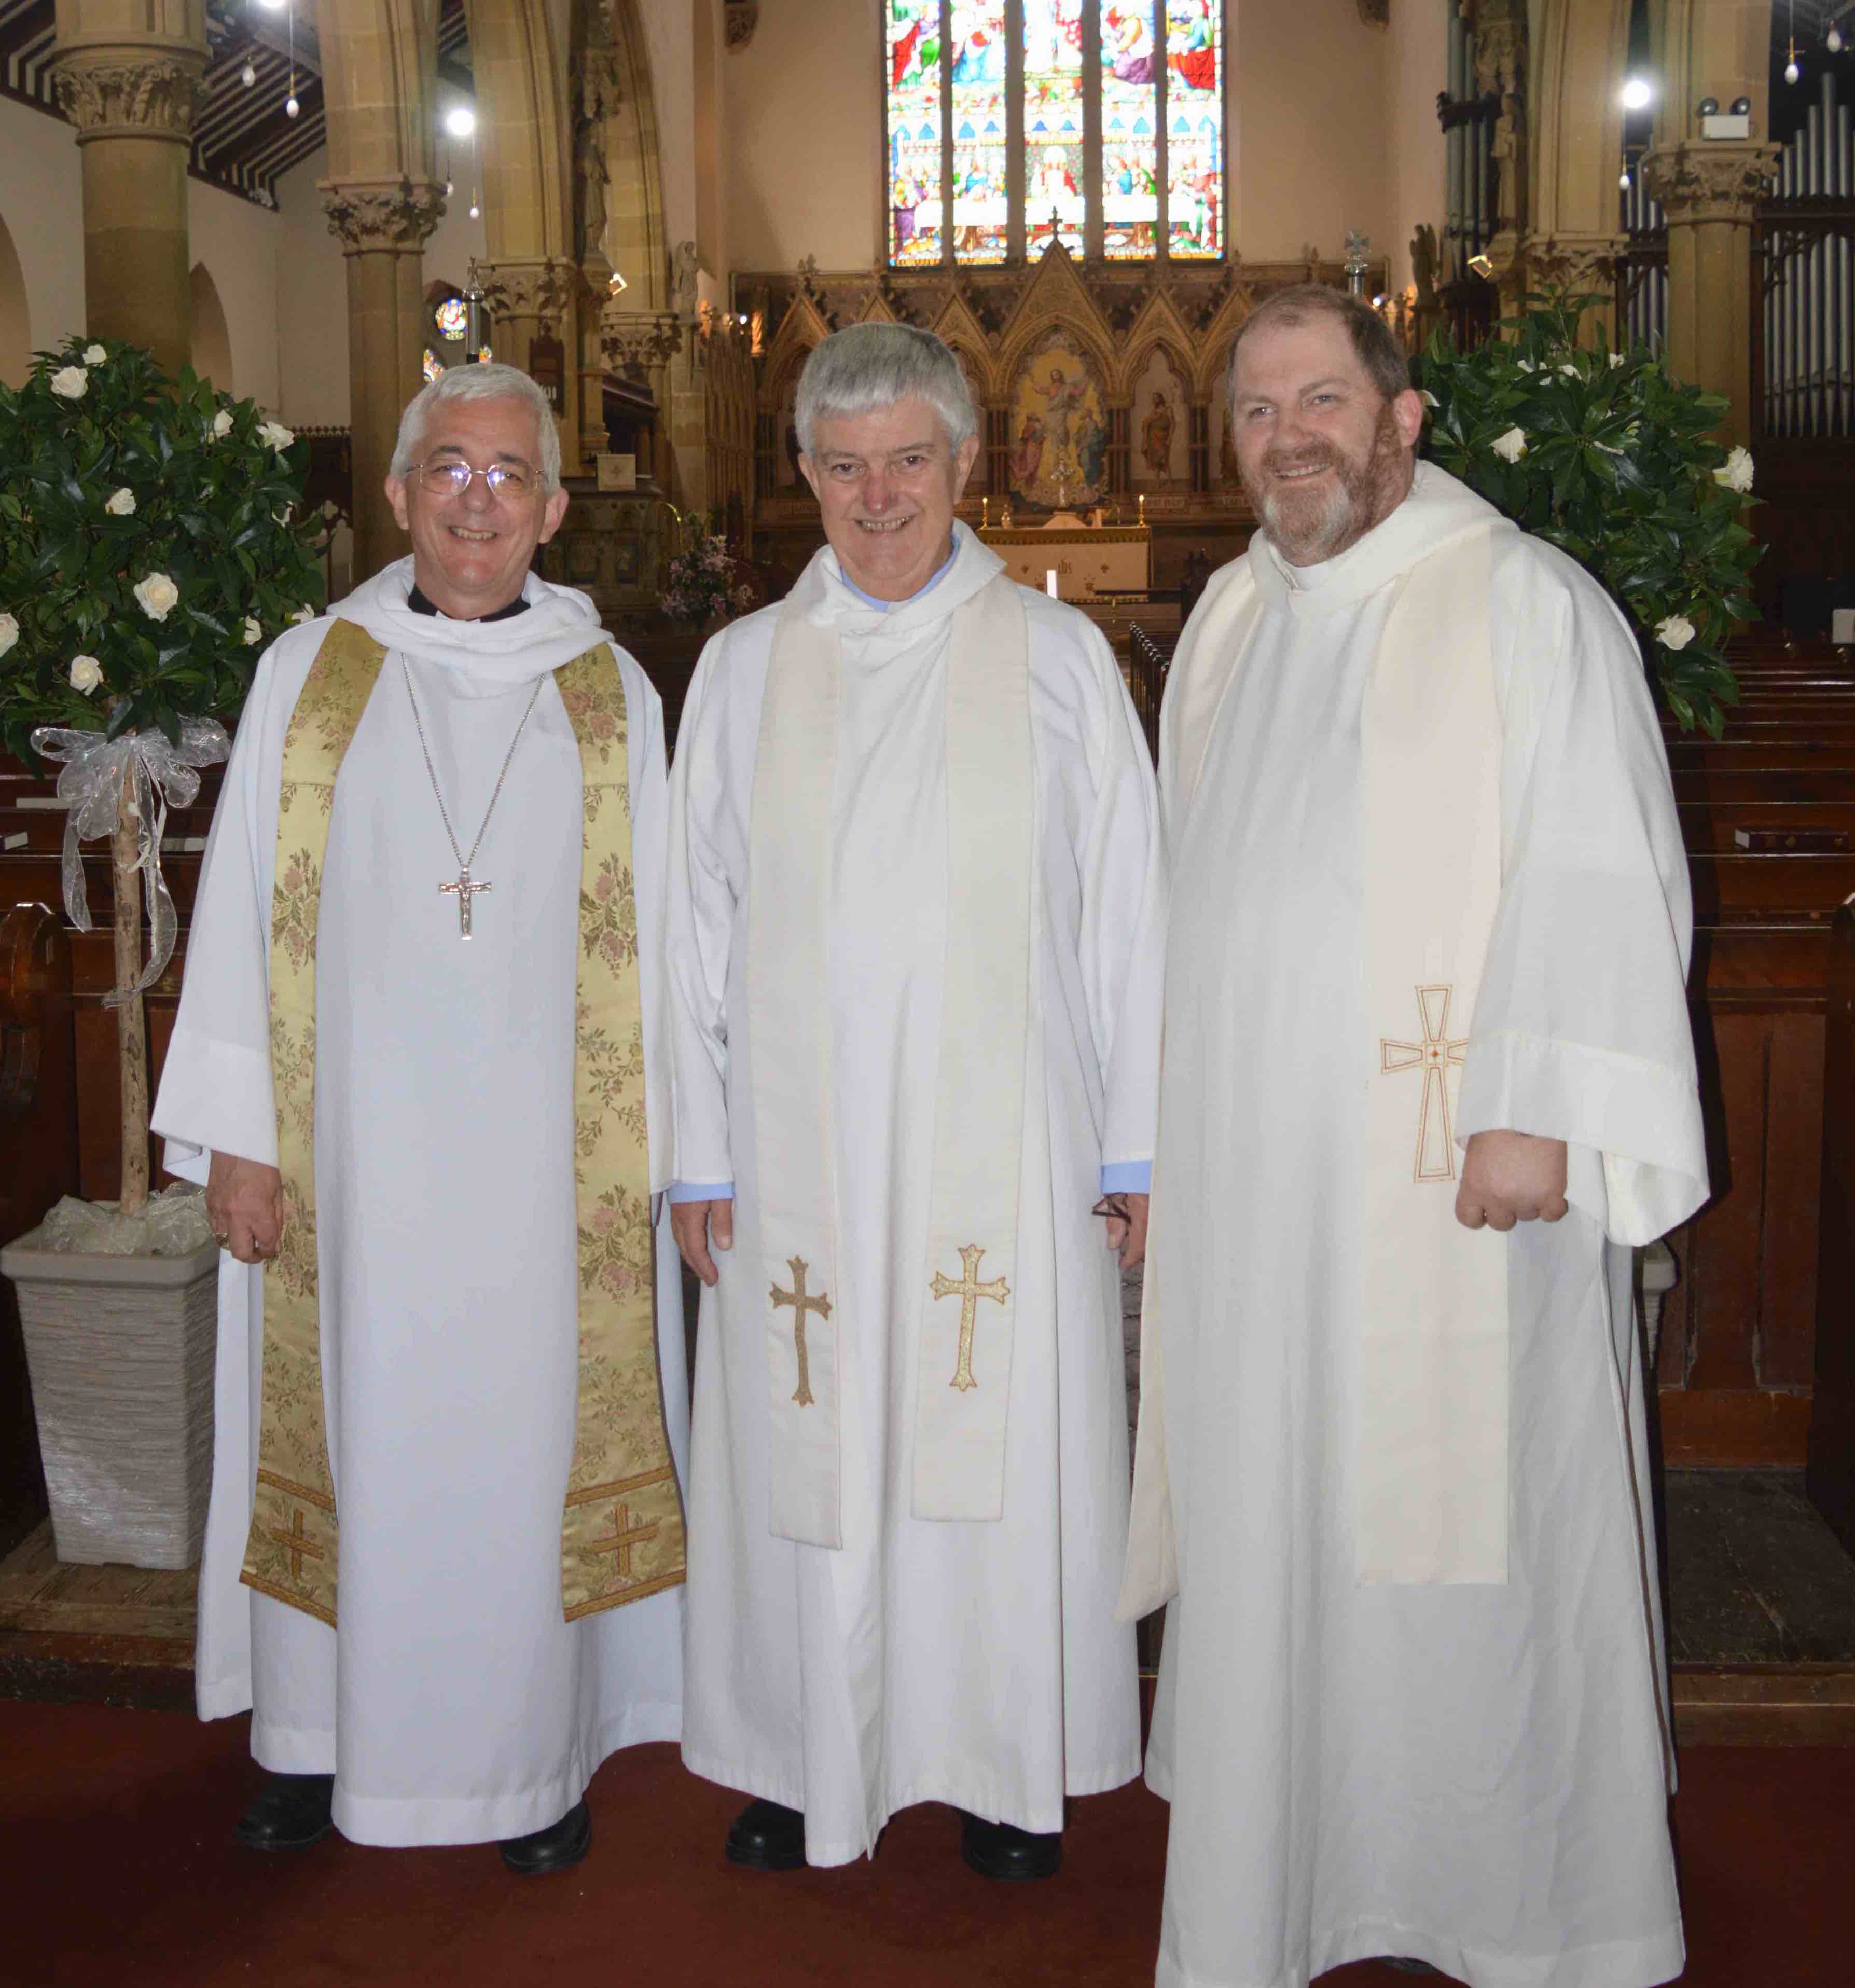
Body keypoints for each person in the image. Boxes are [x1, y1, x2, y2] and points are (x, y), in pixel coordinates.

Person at [1124, 287, 1709, 1987]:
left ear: (1405, 417)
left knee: (1464, 1528)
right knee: (1282, 1508)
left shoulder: (1523, 600)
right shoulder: (1233, 618)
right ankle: (1283, 1872)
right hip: (1259, 1190)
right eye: (1255, 409)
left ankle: (1505, 1895)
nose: (1286, 434)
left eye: (1322, 399)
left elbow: (1600, 861)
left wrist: (1531, 1107)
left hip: (1451, 1186)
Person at [152, 362, 687, 1872]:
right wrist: (238, 1137)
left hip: (543, 1187)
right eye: (447, 466)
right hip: (349, 1176)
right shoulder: (310, 673)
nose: (476, 498)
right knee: (344, 1431)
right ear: (394, 496)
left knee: (519, 1462)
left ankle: (539, 1760)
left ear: (556, 511)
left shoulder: (613, 693)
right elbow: (243, 912)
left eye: (510, 475)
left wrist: (669, 1155)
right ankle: (317, 1745)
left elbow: (669, 941)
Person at [666, 323, 1166, 1879]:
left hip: (1012, 1153)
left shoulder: (1062, 657)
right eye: (845, 464)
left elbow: (1131, 912)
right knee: (808, 1449)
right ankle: (800, 1751)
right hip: (793, 1154)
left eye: (909, 460)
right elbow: (691, 923)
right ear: (805, 475)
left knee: (991, 1451)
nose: (878, 495)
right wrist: (696, 1158)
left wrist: (1137, 1145)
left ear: (966, 469)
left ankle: (1002, 1766)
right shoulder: (747, 670)